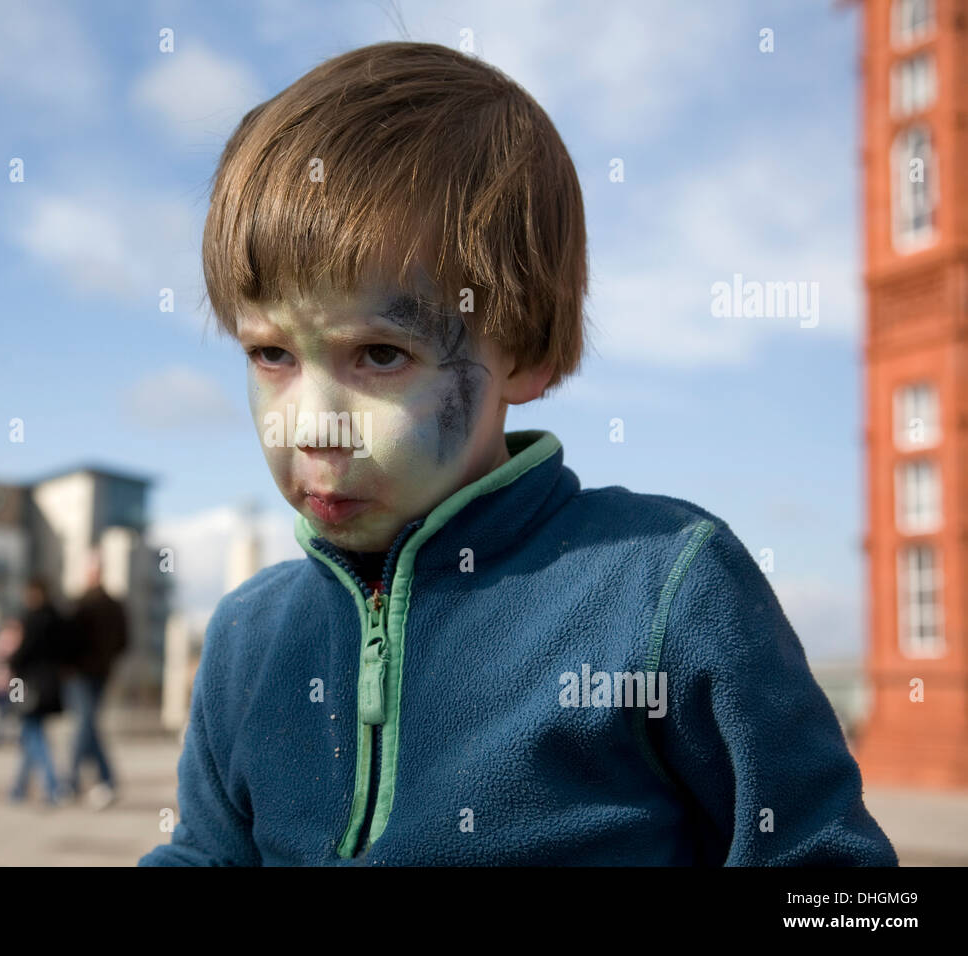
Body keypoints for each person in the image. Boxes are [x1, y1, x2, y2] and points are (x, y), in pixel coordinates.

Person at [139, 42, 898, 866]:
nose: (311, 427)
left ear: (526, 350)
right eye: (271, 356)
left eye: (381, 355)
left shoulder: (663, 588)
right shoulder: (250, 636)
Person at [63, 556, 128, 810]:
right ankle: (106, 781)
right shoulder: (91, 602)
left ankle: (71, 782)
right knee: (87, 724)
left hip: (87, 674)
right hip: (86, 673)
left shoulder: (91, 604)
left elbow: (123, 640)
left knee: (84, 725)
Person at [8, 577, 66, 806]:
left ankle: (52, 787)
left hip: (31, 685)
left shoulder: (35, 619)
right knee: (30, 733)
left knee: (34, 734)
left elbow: (24, 653)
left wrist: (10, 660)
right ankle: (18, 788)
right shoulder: (57, 618)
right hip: (49, 685)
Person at [0, 617, 22, 748]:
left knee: (12, 711)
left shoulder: (3, 640)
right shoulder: (13, 640)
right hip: (11, 681)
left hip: (11, 682)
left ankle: (5, 737)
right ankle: (3, 737)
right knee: (5, 711)